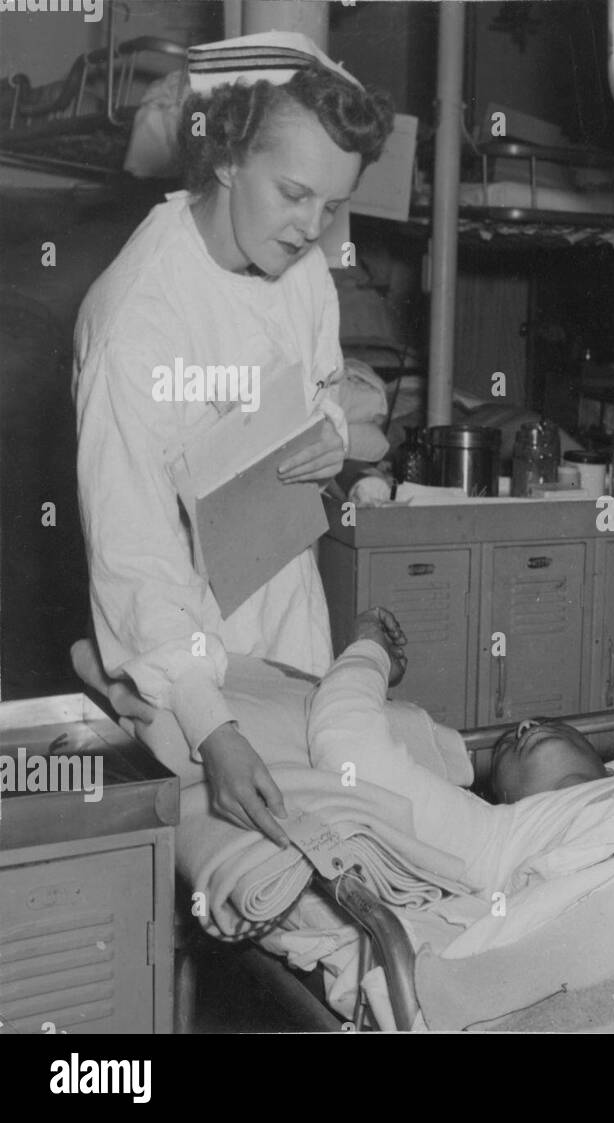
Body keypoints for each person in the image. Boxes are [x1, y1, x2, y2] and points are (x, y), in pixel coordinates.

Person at [73, 35, 394, 844]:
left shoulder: (303, 271)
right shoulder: (138, 322)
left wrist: (327, 435)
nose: (313, 228)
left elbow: (318, 394)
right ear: (223, 156)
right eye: (293, 193)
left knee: (330, 834)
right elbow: (135, 555)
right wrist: (212, 726)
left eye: (332, 205)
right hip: (179, 662)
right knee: (225, 877)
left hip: (287, 620)